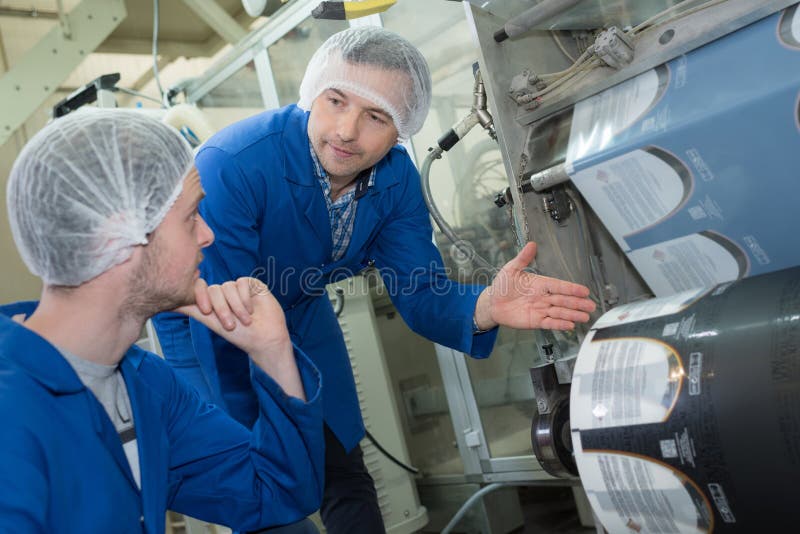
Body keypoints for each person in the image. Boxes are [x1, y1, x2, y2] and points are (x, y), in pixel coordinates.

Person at [153, 26, 596, 533]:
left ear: (402, 128)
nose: (346, 130)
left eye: (375, 116)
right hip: (211, 324)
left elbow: (420, 291)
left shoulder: (396, 179)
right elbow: (223, 318)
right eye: (336, 101)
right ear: (313, 94)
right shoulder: (234, 165)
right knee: (262, 487)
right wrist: (257, 440)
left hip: (300, 309)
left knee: (343, 465)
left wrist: (484, 308)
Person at [0, 109, 326, 533]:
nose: (208, 234)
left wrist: (271, 350)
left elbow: (277, 494)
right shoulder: (13, 410)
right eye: (191, 216)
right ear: (118, 236)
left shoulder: (145, 384)